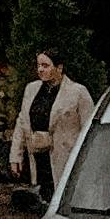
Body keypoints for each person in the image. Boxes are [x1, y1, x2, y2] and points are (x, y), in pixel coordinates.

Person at [11, 46, 94, 202]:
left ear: (59, 68)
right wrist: (16, 155)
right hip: (38, 155)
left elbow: (88, 129)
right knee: (43, 198)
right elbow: (22, 122)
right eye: (38, 66)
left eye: (45, 66)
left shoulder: (77, 92)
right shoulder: (31, 89)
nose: (40, 70)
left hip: (64, 156)